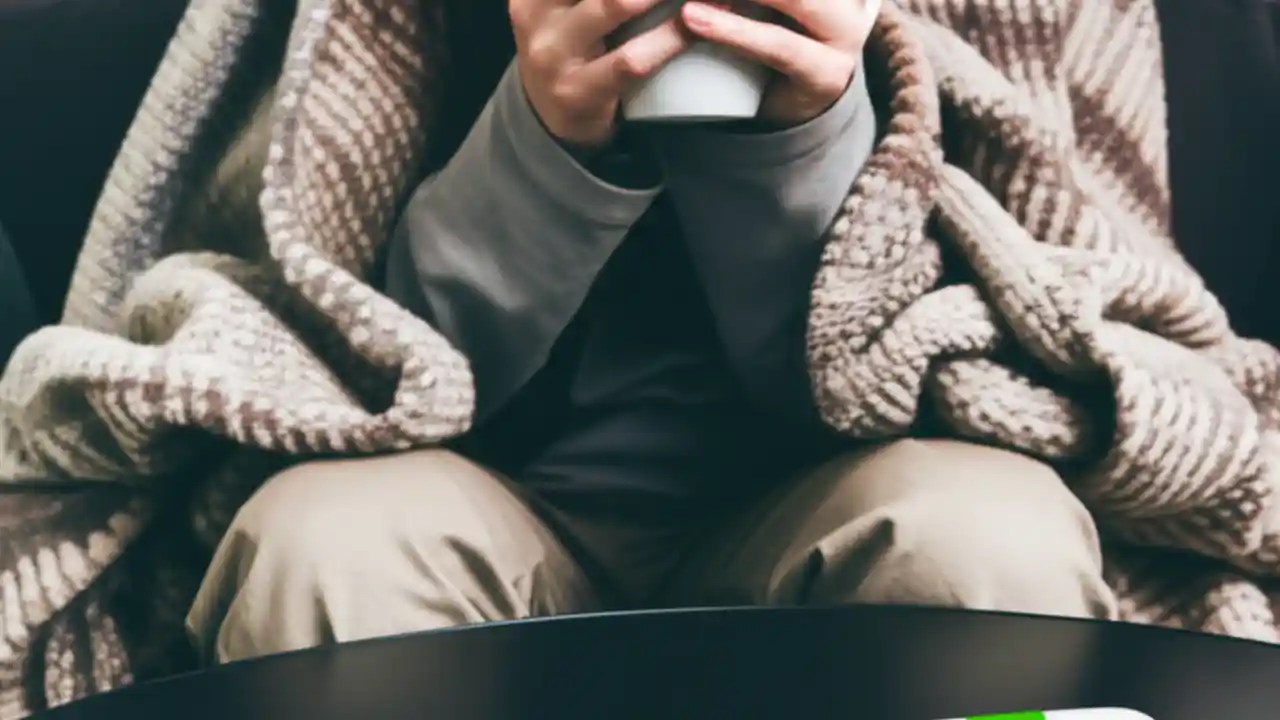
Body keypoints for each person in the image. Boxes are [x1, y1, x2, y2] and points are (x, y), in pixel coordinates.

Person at [186, 0, 1116, 664]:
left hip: (822, 495)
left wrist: (809, 138)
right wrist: (542, 136)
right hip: (485, 494)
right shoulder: (376, 32)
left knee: (992, 536)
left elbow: (1007, 346)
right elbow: (357, 367)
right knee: (323, 542)